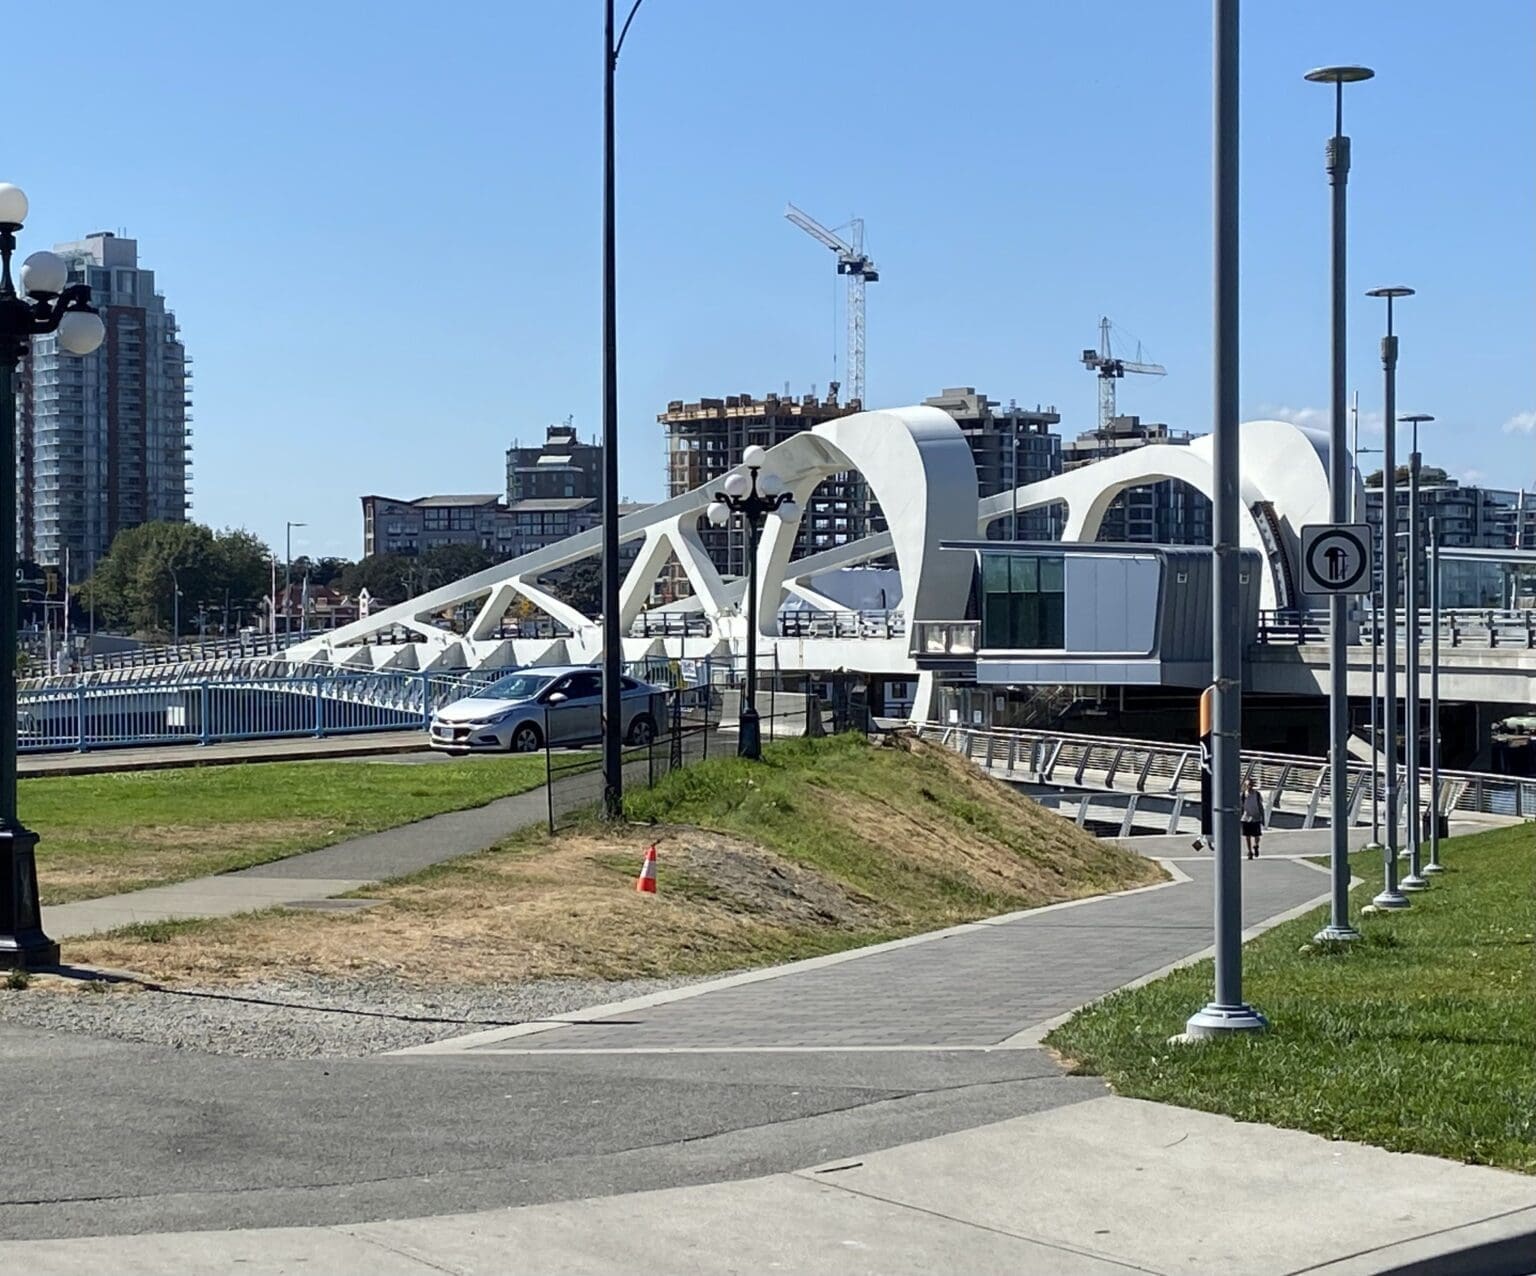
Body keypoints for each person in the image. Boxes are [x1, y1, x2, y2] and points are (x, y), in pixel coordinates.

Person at [1240, 778, 1264, 859]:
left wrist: (1262, 816)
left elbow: (1260, 806)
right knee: (1247, 836)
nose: (1249, 787)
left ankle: (1256, 845)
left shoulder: (1257, 794)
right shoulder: (1243, 795)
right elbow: (1241, 807)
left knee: (1257, 836)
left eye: (1250, 785)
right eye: (1247, 785)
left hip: (1256, 817)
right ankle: (1249, 851)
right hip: (1246, 818)